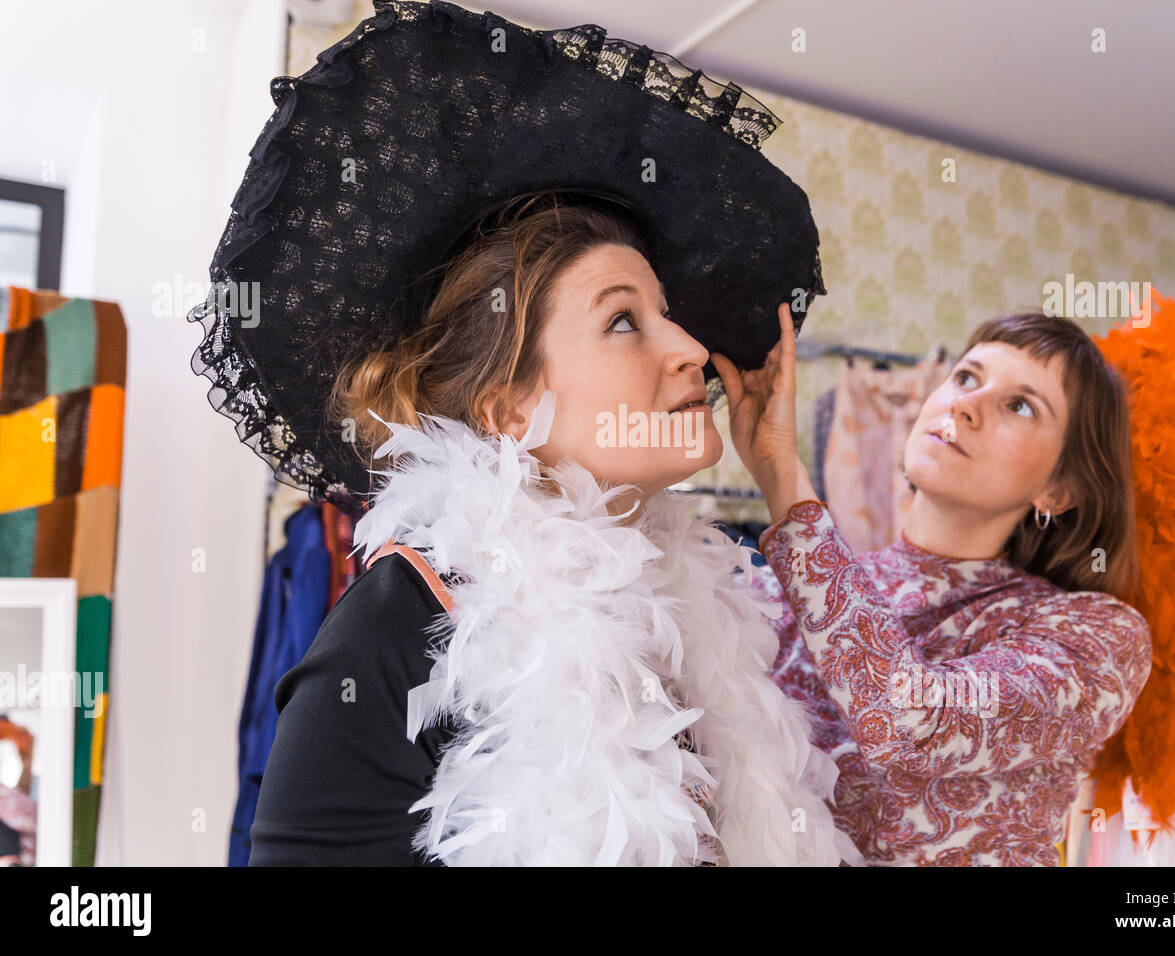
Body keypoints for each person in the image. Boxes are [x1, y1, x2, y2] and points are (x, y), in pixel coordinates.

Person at [191, 1, 862, 866]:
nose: (693, 347)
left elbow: (896, 740)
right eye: (625, 321)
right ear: (508, 410)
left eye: (671, 315)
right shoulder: (394, 640)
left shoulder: (694, 621)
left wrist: (780, 472)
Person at [712, 306, 1154, 865]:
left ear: (1059, 490)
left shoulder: (1096, 638)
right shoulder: (782, 592)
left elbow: (906, 720)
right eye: (967, 377)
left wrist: (781, 472)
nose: (966, 404)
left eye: (1020, 405)